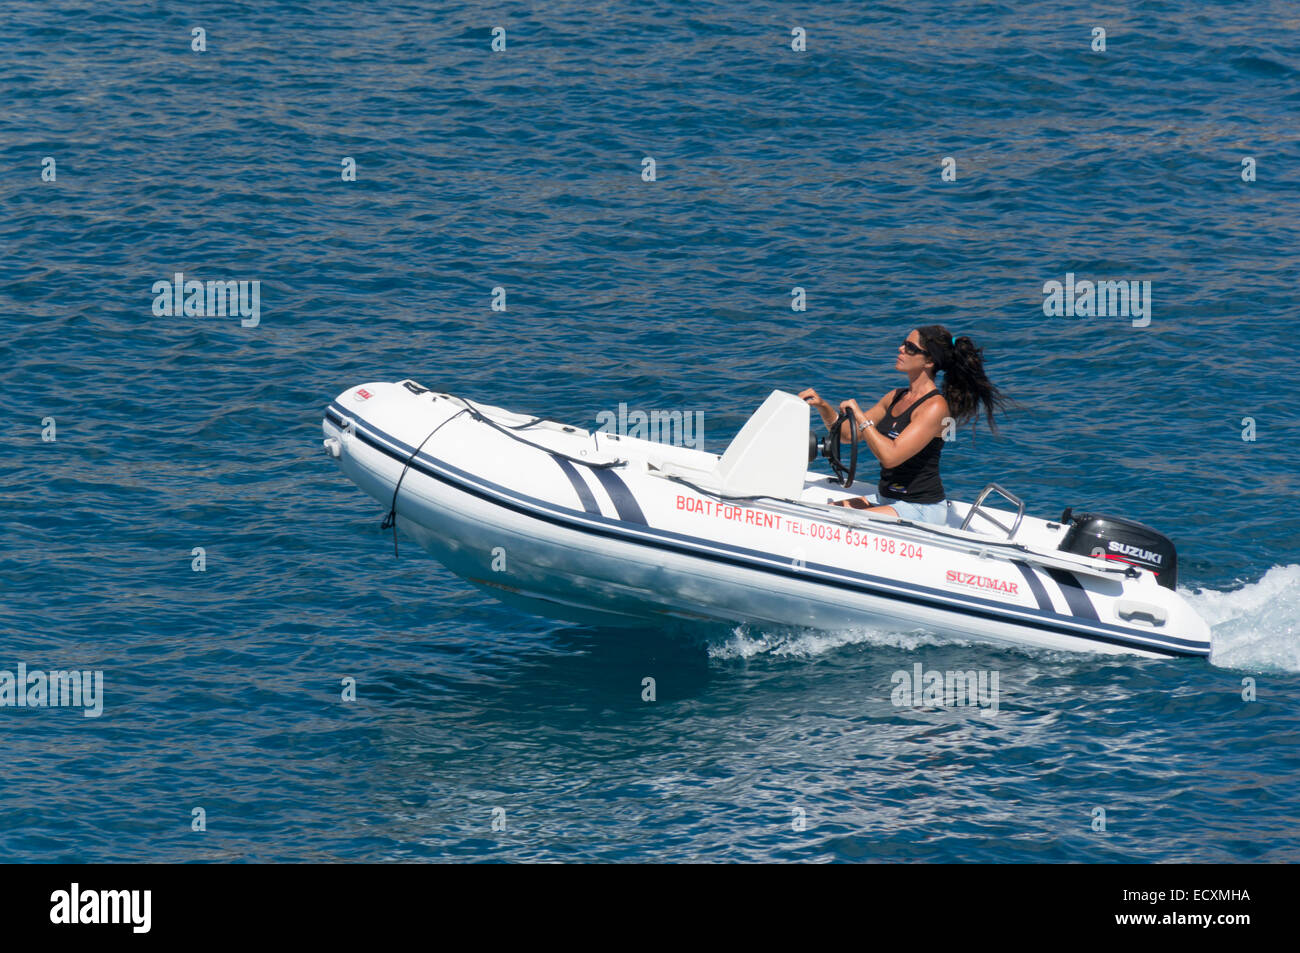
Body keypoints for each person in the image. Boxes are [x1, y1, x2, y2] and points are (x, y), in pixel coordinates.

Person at [799, 326, 1006, 525]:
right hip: (885, 498)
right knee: (821, 515)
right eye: (903, 344)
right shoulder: (895, 397)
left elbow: (891, 457)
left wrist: (861, 418)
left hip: (920, 508)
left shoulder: (935, 407)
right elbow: (847, 436)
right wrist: (823, 406)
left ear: (929, 361)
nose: (900, 349)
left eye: (910, 347)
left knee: (837, 523)